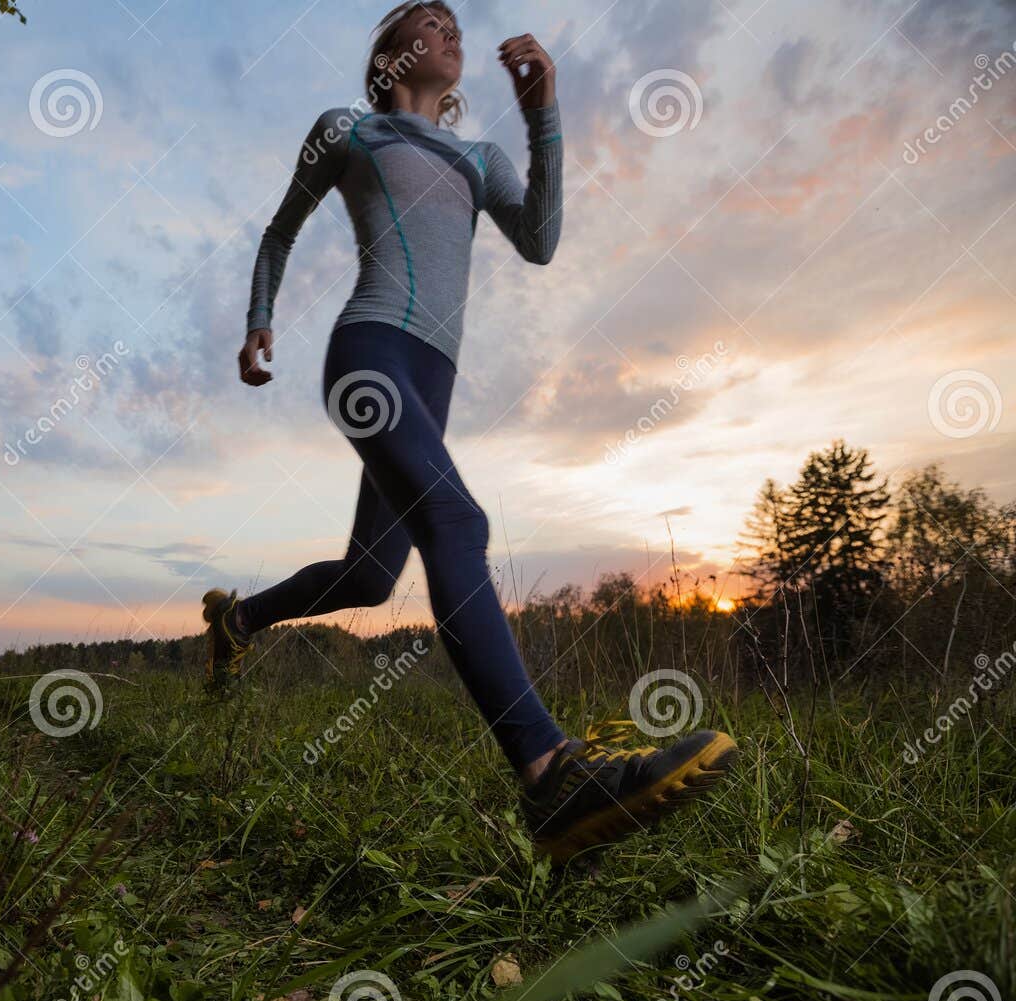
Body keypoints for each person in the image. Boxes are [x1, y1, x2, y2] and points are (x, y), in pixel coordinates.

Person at [202, 1, 736, 864]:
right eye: (426, 21)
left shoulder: (480, 158)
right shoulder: (348, 129)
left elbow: (542, 242)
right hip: (368, 357)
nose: (448, 30)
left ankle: (236, 623)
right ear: (388, 56)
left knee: (372, 578)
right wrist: (260, 317)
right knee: (459, 523)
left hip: (434, 378)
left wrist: (542, 116)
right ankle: (552, 773)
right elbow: (279, 228)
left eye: (454, 23)